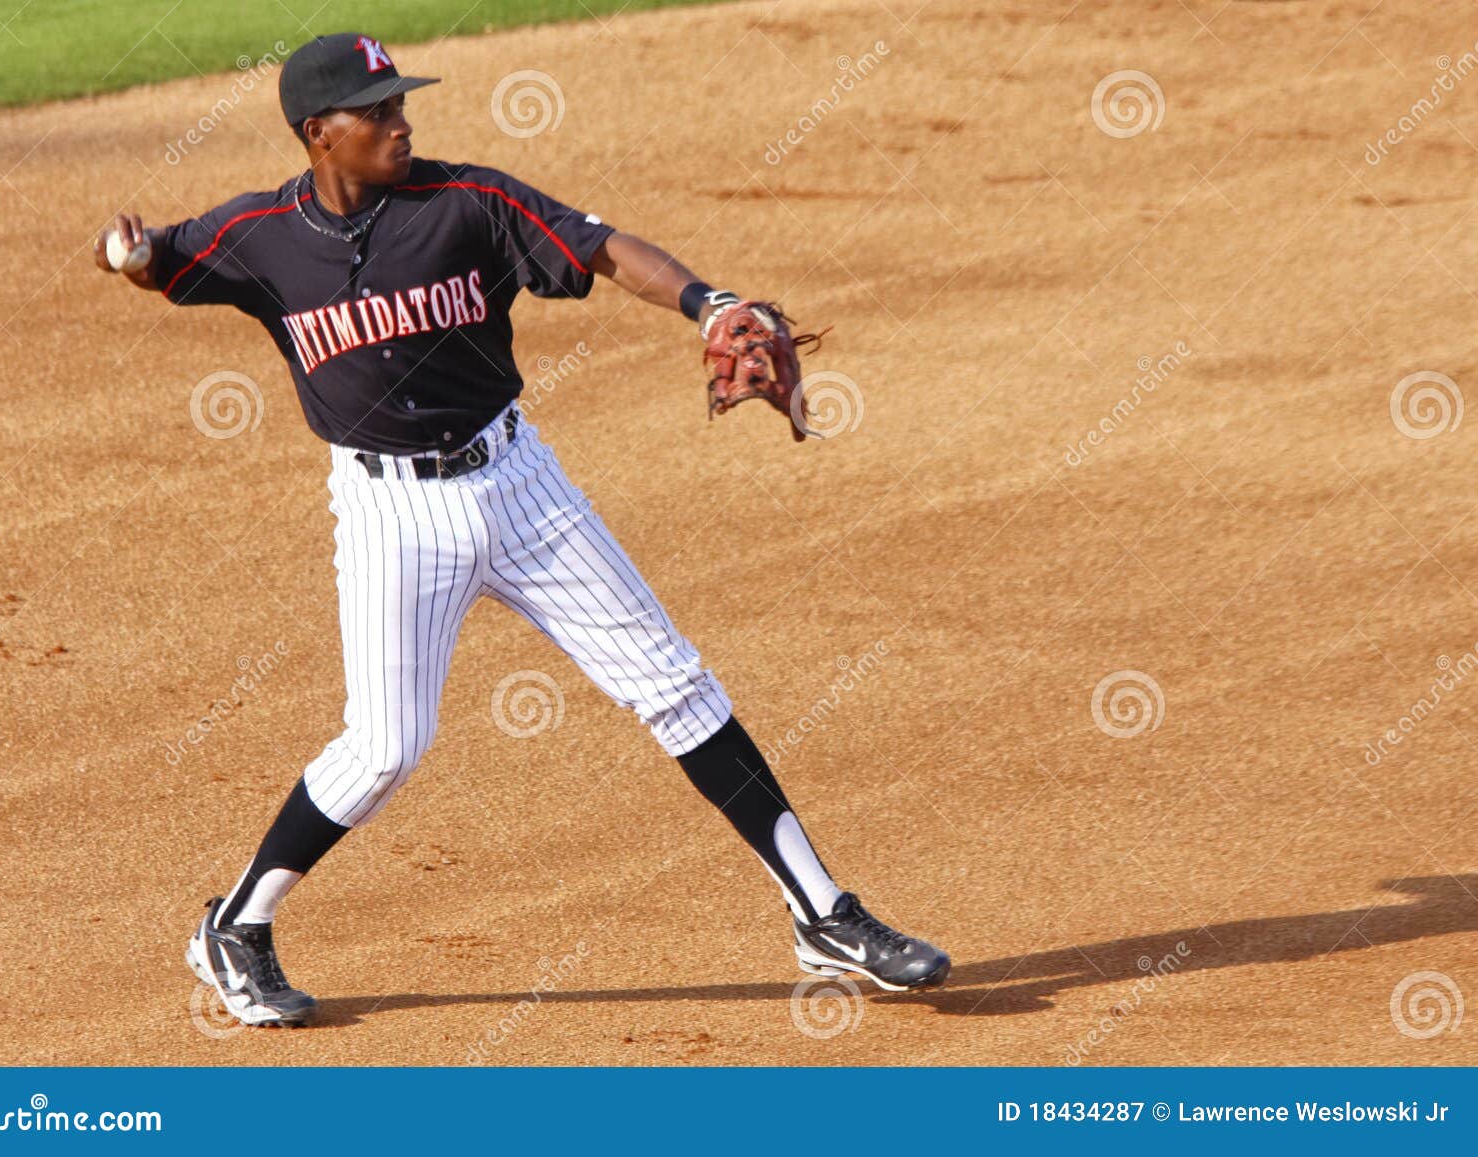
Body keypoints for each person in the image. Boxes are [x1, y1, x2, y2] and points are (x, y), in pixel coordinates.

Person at [94, 32, 949, 1027]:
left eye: (401, 102)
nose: (401, 121)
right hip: (389, 510)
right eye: (376, 111)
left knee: (674, 684)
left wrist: (704, 302)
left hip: (521, 485)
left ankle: (822, 910)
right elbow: (169, 260)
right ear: (316, 134)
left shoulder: (463, 203)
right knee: (384, 746)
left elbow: (599, 245)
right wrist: (136, 253)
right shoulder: (260, 235)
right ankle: (236, 924)